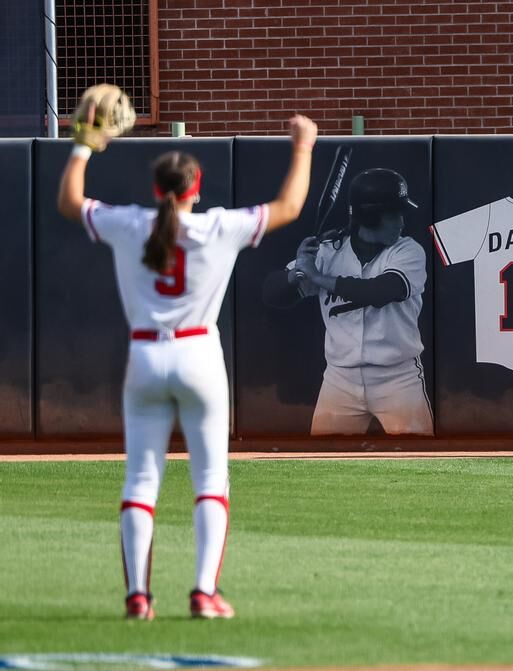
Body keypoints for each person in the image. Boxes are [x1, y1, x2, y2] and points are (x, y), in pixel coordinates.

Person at [57, 109, 318, 620]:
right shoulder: (217, 226)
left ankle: (137, 597)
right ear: (196, 188)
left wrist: (84, 145)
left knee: (140, 481)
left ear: (157, 190)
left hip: (146, 356)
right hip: (198, 355)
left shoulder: (130, 224)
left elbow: (69, 202)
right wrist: (303, 145)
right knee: (210, 479)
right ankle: (203, 592)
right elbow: (289, 206)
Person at [262, 168, 433, 435]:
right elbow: (272, 294)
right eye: (392, 214)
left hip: (398, 378)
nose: (401, 221)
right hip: (340, 379)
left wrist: (318, 277)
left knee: (420, 457)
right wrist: (297, 274)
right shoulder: (329, 250)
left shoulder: (408, 250)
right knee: (322, 463)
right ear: (371, 216)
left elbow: (379, 292)